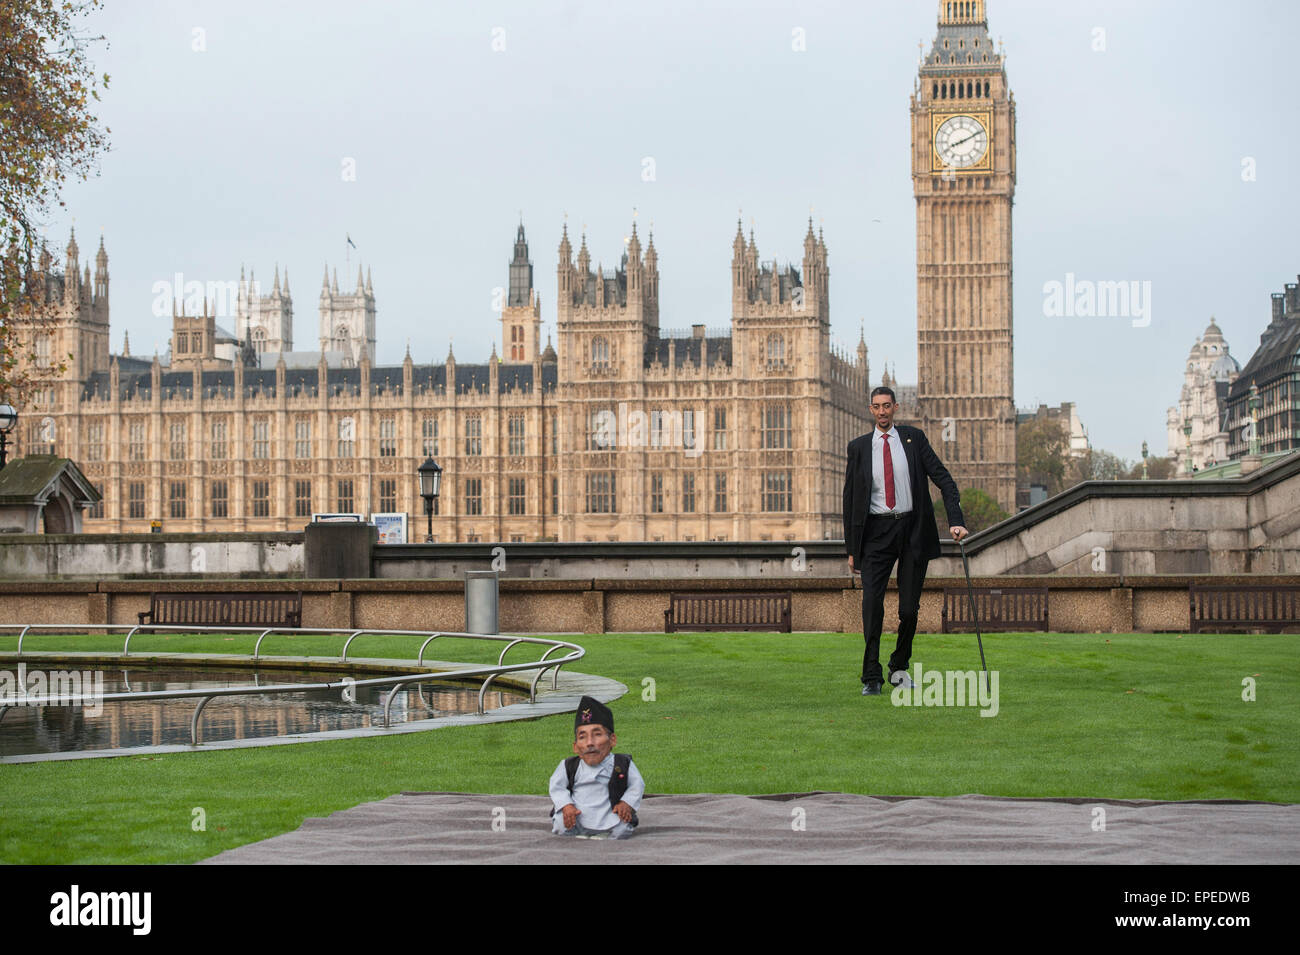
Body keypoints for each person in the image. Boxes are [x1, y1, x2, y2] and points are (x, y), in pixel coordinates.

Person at [842, 387, 969, 696]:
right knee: (872, 605)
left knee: (909, 610)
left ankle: (899, 667)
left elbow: (944, 479)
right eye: (877, 407)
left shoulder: (914, 440)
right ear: (870, 410)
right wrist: (852, 549)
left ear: (895, 407)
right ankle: (871, 675)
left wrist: (956, 520)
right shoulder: (858, 448)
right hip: (876, 534)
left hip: (911, 529)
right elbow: (850, 501)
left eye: (887, 406)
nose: (883, 411)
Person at [548, 695, 644, 839]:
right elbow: (557, 787)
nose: (589, 743)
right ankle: (576, 833)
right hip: (577, 816)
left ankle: (608, 835)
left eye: (597, 734)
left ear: (612, 740)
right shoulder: (569, 766)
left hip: (610, 815)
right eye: (582, 737)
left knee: (623, 827)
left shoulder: (622, 764)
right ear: (575, 747)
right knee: (561, 824)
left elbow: (637, 785)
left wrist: (626, 803)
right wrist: (567, 805)